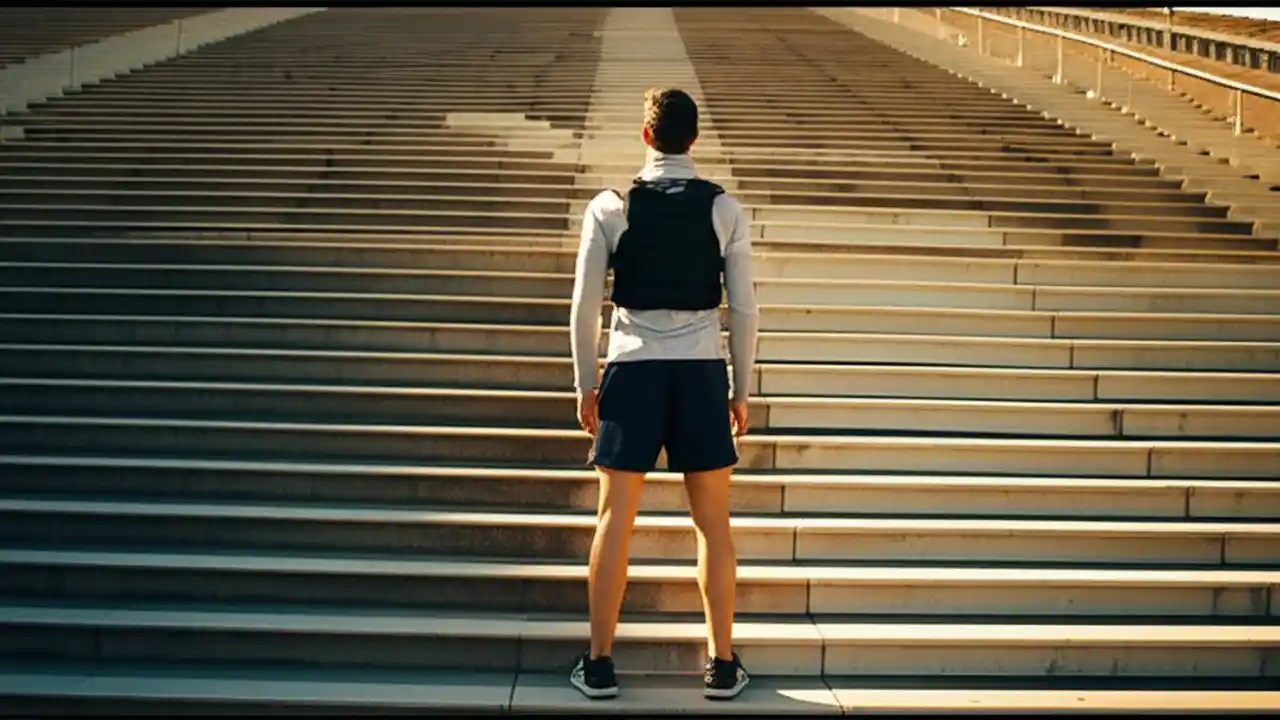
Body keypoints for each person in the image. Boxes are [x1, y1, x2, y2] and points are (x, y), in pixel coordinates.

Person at [567, 87, 760, 701]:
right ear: (693, 140)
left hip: (634, 368)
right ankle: (722, 663)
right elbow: (745, 309)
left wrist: (585, 383)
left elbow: (583, 306)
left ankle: (599, 664)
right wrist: (741, 388)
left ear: (646, 136)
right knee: (713, 525)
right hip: (701, 369)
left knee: (614, 520)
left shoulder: (610, 205)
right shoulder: (724, 208)